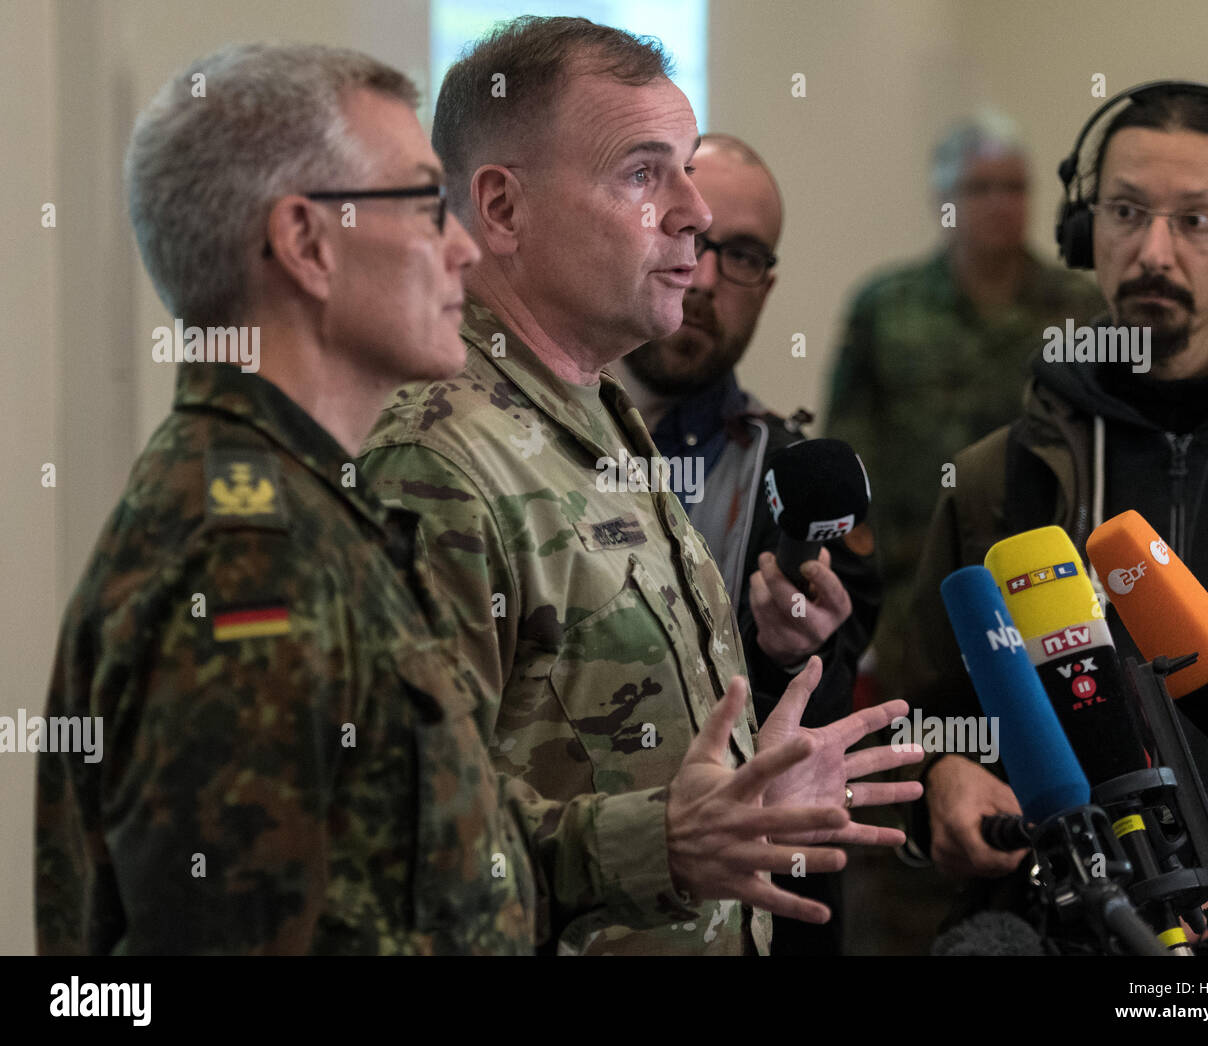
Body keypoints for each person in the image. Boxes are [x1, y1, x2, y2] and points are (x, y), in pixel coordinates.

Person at [34, 42, 877, 956]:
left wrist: (670, 835)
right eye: (419, 201)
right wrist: (659, 843)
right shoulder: (252, 550)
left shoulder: (320, 505)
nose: (458, 242)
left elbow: (434, 842)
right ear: (308, 245)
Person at [358, 16, 922, 955]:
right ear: (502, 209)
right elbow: (399, 845)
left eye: (688, 168)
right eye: (641, 173)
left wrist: (752, 789)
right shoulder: (438, 462)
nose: (695, 212)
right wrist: (659, 843)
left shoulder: (593, 417)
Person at [903, 82, 1208, 936]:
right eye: (1126, 211)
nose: (1154, 250)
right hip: (1079, 926)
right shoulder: (999, 478)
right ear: (1086, 230)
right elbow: (919, 702)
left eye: (1196, 220)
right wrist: (944, 768)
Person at [613, 132, 882, 954]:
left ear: (767, 284)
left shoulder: (804, 488)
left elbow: (818, 762)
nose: (704, 276)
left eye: (745, 255)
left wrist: (795, 655)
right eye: (685, 231)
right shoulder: (515, 437)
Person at [824, 110, 1105, 705]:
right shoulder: (886, 308)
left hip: (1048, 589)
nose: (1001, 203)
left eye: (1015, 187)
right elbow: (848, 455)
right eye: (981, 188)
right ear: (942, 199)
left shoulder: (1080, 309)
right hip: (915, 598)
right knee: (920, 768)